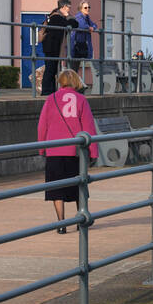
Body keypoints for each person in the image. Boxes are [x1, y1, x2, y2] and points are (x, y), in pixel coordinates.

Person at [38, 69, 99, 233]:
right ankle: (81, 219)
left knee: (56, 188)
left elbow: (42, 125)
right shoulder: (81, 100)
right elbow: (89, 128)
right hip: (75, 150)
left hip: (54, 150)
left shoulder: (51, 99)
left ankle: (61, 224)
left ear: (61, 81)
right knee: (78, 186)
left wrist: (42, 147)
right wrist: (93, 152)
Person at [39, 0, 77, 95]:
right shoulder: (56, 17)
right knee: (50, 70)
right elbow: (74, 24)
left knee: (52, 70)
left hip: (53, 47)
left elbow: (74, 24)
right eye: (69, 7)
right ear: (64, 7)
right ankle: (47, 92)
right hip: (51, 47)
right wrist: (68, 16)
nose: (69, 9)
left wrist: (67, 17)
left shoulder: (57, 16)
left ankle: (50, 91)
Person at [71, 0, 98, 82]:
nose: (87, 9)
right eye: (85, 7)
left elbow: (95, 25)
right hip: (76, 45)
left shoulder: (87, 18)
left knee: (75, 67)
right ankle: (70, 87)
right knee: (73, 67)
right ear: (80, 9)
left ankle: (73, 86)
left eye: (88, 7)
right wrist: (89, 27)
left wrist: (92, 27)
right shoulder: (79, 17)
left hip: (81, 44)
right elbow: (81, 25)